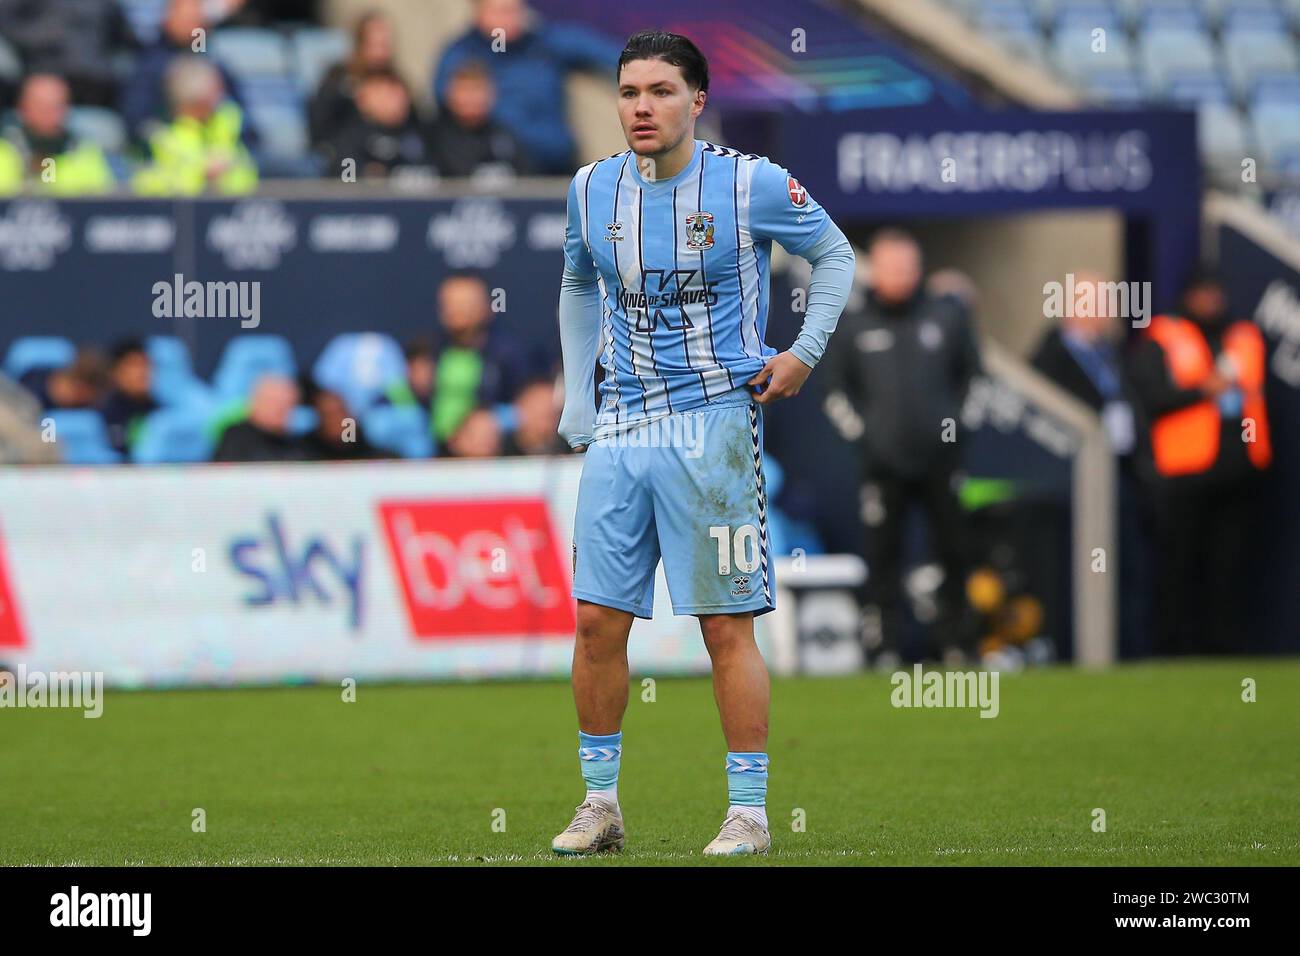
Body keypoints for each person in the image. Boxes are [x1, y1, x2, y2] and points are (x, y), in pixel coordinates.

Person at [552, 31, 854, 857]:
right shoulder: (590, 190)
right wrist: (579, 391)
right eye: (627, 92)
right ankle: (600, 803)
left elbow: (832, 253)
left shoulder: (747, 183)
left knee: (725, 626)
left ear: (697, 100)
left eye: (659, 91)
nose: (640, 107)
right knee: (595, 622)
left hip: (715, 424)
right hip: (623, 426)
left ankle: (749, 813)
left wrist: (802, 353)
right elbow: (579, 285)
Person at [820, 228, 981, 665]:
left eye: (909, 266)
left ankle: (956, 643)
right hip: (882, 465)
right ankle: (885, 647)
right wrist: (866, 437)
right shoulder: (854, 324)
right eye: (892, 267)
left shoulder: (946, 317)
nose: (901, 275)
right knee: (883, 556)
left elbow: (973, 378)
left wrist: (957, 426)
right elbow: (835, 392)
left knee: (953, 550)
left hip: (940, 461)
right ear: (875, 269)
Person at [1127, 271, 1272, 655]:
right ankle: (1173, 648)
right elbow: (1150, 397)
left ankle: (1225, 647)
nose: (1212, 301)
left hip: (1239, 467)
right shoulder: (1164, 335)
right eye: (1204, 294)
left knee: (1230, 565)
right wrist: (1200, 391)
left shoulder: (1243, 336)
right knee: (1179, 565)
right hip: (1185, 472)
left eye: (1216, 293)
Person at [432, 0, 620, 174]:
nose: (510, 18)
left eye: (515, 10)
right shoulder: (462, 55)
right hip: (499, 170)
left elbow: (609, 55)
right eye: (501, 11)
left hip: (558, 165)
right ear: (478, 12)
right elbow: (446, 109)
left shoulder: (544, 43)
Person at [119, 0, 256, 149]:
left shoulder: (212, 62)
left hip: (220, 153)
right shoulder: (149, 65)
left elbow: (243, 121)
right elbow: (137, 122)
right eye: (186, 13)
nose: (193, 20)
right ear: (167, 17)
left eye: (196, 13)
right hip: (170, 154)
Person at [430, 270, 540, 443]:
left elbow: (531, 405)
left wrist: (496, 421)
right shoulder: (429, 352)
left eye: (466, 304)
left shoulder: (508, 353)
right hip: (433, 452)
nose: (456, 311)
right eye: (450, 304)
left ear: (486, 307)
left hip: (492, 449)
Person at [132, 54, 257, 195]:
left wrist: (227, 167)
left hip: (235, 209)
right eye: (214, 93)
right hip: (177, 212)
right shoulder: (157, 135)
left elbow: (248, 170)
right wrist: (203, 173)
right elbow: (147, 187)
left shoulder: (230, 119)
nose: (220, 97)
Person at [0, 0, 138, 106]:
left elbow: (125, 36)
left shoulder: (104, 3)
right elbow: (7, 23)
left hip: (95, 87)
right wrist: (44, 35)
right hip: (45, 77)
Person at [0, 73, 115, 195]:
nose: (47, 113)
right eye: (39, 105)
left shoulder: (84, 150)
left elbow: (100, 200)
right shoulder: (4, 148)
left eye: (55, 106)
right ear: (22, 107)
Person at [308, 9, 397, 154]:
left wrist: (395, 114)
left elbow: (414, 125)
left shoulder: (395, 81)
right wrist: (360, 103)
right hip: (346, 157)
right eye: (374, 45)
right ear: (360, 44)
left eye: (384, 45)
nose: (380, 54)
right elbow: (320, 121)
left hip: (388, 157)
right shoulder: (338, 77)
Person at [426, 59, 529, 179]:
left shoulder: (505, 135)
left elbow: (528, 179)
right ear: (449, 94)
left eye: (477, 89)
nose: (472, 98)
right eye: (465, 90)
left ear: (492, 95)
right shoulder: (430, 138)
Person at [323, 67, 431, 180]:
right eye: (383, 93)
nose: (394, 99)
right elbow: (344, 174)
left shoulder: (425, 132)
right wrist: (365, 173)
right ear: (362, 100)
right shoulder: (352, 136)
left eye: (396, 91)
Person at [212, 374, 304, 462]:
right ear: (256, 403)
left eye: (287, 404)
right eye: (272, 402)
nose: (280, 409)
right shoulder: (236, 437)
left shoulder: (298, 443)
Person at [98, 338, 158, 456]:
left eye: (145, 364)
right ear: (115, 371)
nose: (142, 372)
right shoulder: (100, 415)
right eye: (134, 365)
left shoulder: (161, 413)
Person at [299, 379, 384, 460]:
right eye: (328, 415)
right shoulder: (302, 456)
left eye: (339, 413)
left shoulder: (376, 458)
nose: (335, 421)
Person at [503, 377, 566, 455]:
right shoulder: (500, 452)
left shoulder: (572, 450)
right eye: (541, 416)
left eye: (552, 416)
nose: (544, 426)